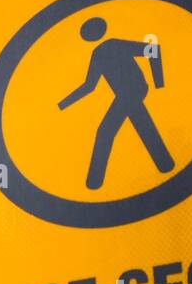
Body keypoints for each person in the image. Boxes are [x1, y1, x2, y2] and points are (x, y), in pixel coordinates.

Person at [58, 16, 174, 189]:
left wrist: (159, 83)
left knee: (105, 131)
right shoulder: (97, 53)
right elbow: (90, 85)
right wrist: (63, 103)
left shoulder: (114, 44)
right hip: (126, 94)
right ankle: (165, 164)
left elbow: (152, 49)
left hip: (133, 90)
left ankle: (94, 182)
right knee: (141, 124)